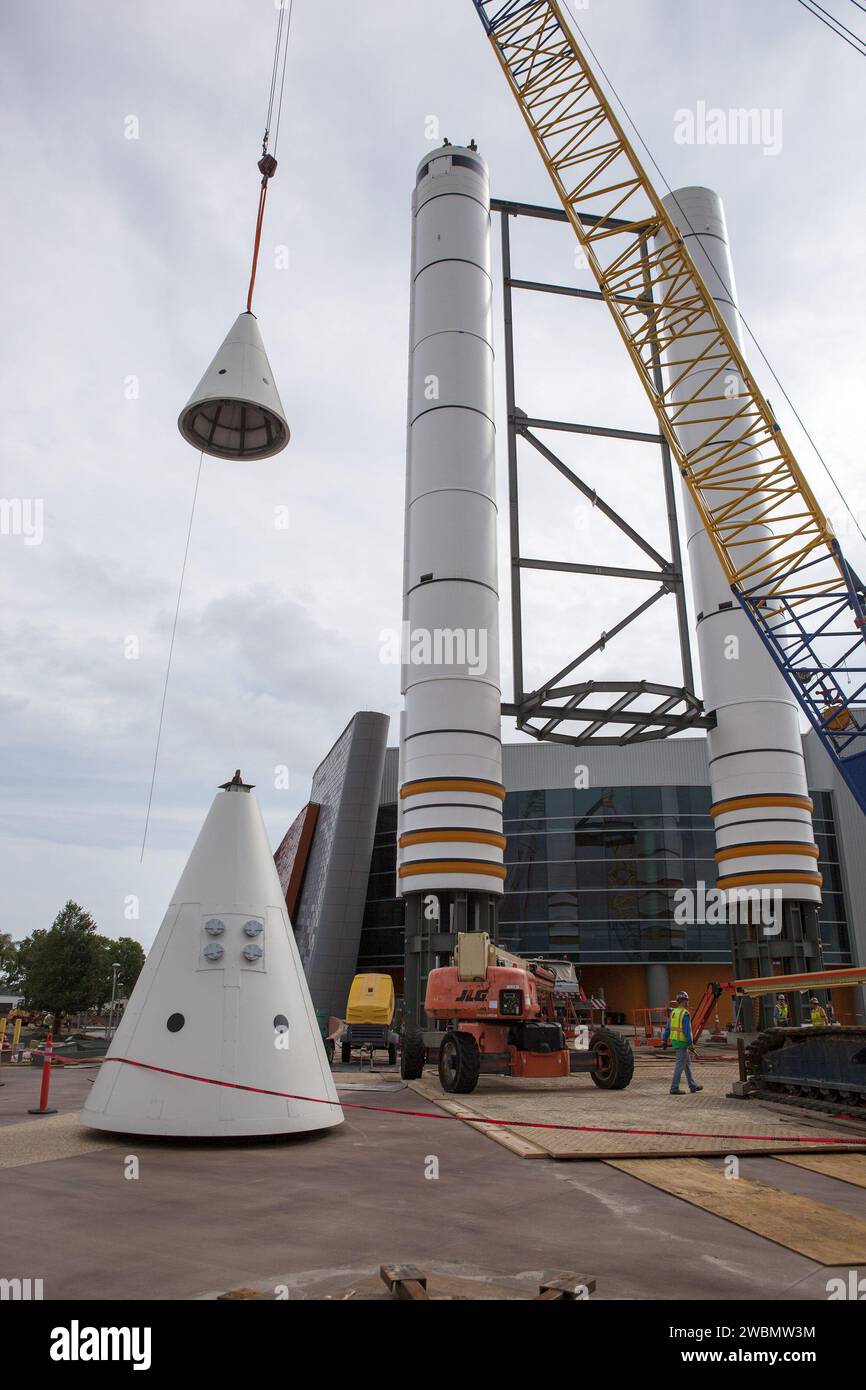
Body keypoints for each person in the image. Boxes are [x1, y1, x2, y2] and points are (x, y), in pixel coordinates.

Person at [662, 990, 703, 1095]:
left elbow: (667, 1028)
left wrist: (664, 1040)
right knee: (680, 1066)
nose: (688, 1002)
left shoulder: (673, 1013)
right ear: (684, 1001)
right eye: (687, 1000)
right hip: (683, 1042)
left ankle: (692, 1086)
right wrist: (690, 1044)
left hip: (676, 1041)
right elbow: (686, 1031)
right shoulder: (685, 1014)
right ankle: (674, 1088)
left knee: (687, 1064)